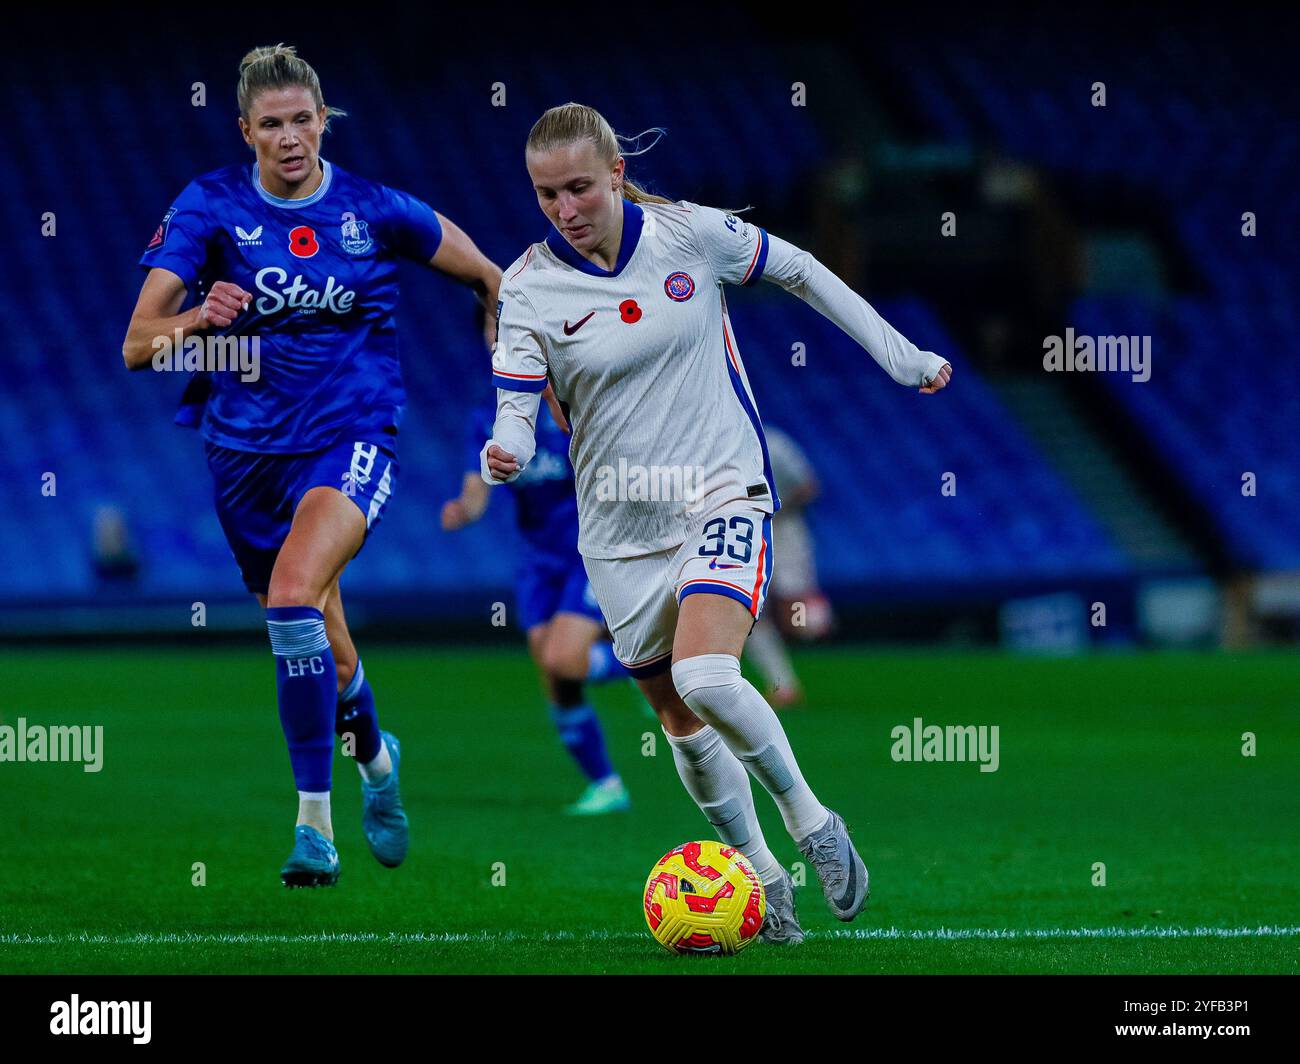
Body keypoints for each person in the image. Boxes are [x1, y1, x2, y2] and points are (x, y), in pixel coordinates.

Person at [481, 103, 952, 944]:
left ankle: (813, 823)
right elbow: (517, 407)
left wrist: (901, 356)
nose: (565, 209)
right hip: (618, 534)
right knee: (680, 722)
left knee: (706, 677)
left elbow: (802, 270)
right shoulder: (527, 287)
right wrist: (505, 448)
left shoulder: (691, 238)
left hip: (720, 494)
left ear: (617, 174)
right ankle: (765, 879)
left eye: (580, 187)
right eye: (547, 194)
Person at [122, 44, 504, 888]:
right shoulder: (209, 207)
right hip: (243, 455)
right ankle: (376, 760)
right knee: (319, 643)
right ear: (245, 131)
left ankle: (313, 828)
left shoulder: (376, 209)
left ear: (323, 119)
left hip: (352, 436)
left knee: (293, 596)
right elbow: (136, 346)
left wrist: (517, 354)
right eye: (272, 125)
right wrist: (195, 318)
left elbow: (487, 276)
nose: (291, 138)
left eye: (304, 120)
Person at [442, 392, 632, 815]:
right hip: (537, 562)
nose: (498, 336)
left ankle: (651, 665)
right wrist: (464, 511)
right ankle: (606, 783)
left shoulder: (575, 401)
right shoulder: (490, 416)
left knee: (563, 660)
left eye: (503, 323)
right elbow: (476, 492)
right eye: (491, 327)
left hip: (588, 553)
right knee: (555, 675)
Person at [743, 425, 835, 708]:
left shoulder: (775, 444)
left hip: (784, 529)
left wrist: (776, 505)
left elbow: (808, 487)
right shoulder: (718, 441)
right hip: (745, 531)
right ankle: (783, 686)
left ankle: (816, 620)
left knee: (797, 610)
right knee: (749, 614)